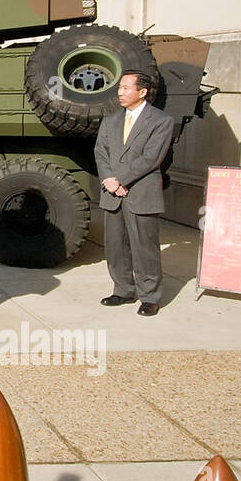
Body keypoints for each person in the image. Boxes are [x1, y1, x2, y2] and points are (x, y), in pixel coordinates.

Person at [93, 71, 174, 317]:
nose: (120, 92)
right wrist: (109, 181)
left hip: (141, 192)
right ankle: (123, 289)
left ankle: (150, 296)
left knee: (144, 247)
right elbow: (101, 151)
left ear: (142, 92)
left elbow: (151, 158)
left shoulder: (161, 121)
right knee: (116, 246)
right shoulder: (111, 120)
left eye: (126, 88)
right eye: (119, 87)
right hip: (113, 193)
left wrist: (121, 179)